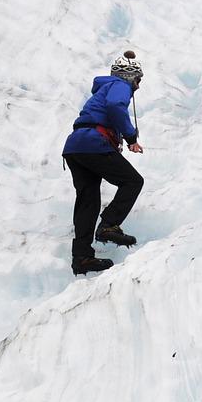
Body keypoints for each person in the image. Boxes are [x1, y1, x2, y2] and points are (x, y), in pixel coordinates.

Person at [61, 52, 146, 275]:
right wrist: (131, 137)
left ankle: (82, 257)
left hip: (75, 147)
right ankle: (108, 225)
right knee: (132, 181)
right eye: (138, 79)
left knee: (87, 201)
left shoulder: (103, 89)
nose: (138, 86)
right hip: (93, 142)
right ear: (129, 76)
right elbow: (115, 106)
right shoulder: (120, 85)